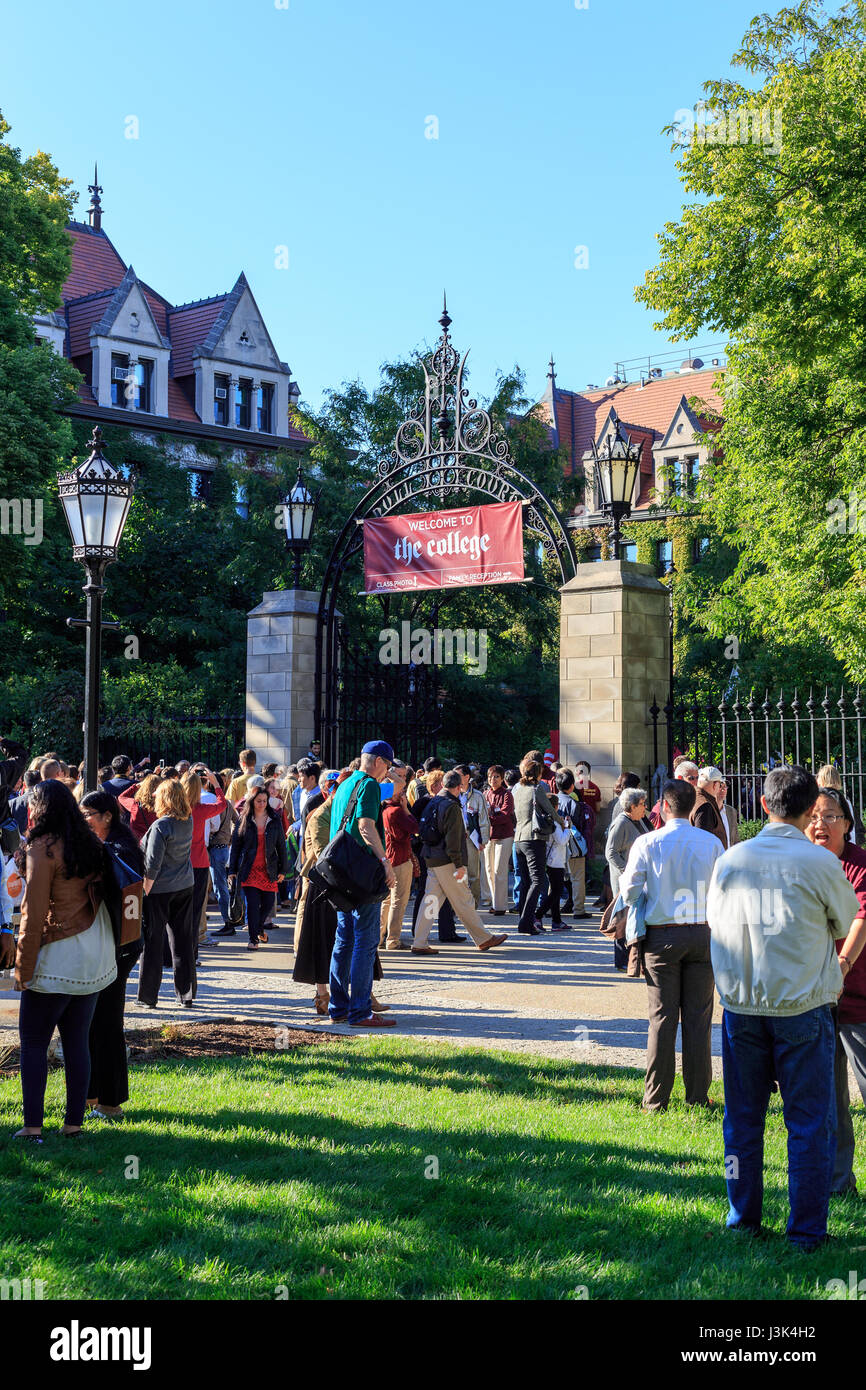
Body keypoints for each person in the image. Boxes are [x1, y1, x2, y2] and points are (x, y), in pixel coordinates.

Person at [707, 765, 863, 1251]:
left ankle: (742, 1216)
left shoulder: (732, 859)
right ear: (808, 806)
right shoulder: (821, 864)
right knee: (810, 1123)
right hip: (802, 1003)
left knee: (743, 1119)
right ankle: (807, 1231)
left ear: (762, 805)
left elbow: (715, 920)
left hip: (744, 1004)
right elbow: (844, 920)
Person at [13, 779, 118, 1140]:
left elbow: (33, 911)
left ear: (40, 808)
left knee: (33, 1041)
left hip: (59, 953)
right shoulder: (89, 841)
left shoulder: (43, 847)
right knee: (77, 1040)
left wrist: (22, 969)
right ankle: (74, 1124)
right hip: (95, 951)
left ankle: (32, 1127)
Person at [620, 779, 724, 1111]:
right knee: (699, 1018)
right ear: (693, 805)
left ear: (664, 807)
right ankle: (697, 1095)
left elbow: (630, 892)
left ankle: (655, 1099)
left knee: (662, 1018)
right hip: (702, 933)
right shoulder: (710, 843)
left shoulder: (647, 842)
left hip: (662, 934)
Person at [804, 787, 866, 1195]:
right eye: (812, 816)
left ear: (847, 822)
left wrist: (841, 966)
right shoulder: (801, 864)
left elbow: (862, 918)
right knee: (829, 1103)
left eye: (829, 816)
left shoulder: (859, 864)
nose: (819, 824)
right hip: (814, 1001)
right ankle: (839, 1184)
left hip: (858, 999)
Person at [80, 791, 144, 1121]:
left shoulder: (118, 850)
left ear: (107, 816)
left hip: (119, 946)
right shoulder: (117, 846)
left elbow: (129, 897)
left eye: (88, 814)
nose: (84, 820)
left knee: (105, 1022)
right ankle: (91, 1097)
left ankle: (110, 1102)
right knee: (93, 1021)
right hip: (116, 942)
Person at [327, 742, 398, 1025]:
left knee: (343, 939)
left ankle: (338, 1007)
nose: (387, 773)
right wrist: (385, 861)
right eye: (388, 767)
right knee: (365, 941)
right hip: (361, 872)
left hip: (340, 871)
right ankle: (360, 1011)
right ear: (378, 761)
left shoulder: (345, 783)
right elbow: (366, 825)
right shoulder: (368, 784)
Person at [412, 770, 508, 955]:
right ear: (458, 787)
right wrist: (459, 865)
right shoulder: (451, 806)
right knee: (464, 900)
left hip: (432, 857)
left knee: (430, 901)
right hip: (448, 861)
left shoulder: (433, 801)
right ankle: (483, 938)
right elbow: (454, 840)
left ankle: (420, 940)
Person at [139, 779, 196, 1009]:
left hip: (159, 889)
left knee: (152, 943)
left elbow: (152, 863)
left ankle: (148, 997)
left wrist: (145, 890)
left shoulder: (161, 825)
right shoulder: (188, 820)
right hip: (185, 884)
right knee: (183, 942)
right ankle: (186, 994)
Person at [228, 783, 289, 951]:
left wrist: (284, 870)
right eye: (259, 801)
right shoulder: (244, 819)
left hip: (269, 869)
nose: (262, 804)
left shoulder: (274, 819)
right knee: (253, 906)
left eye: (264, 801)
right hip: (249, 869)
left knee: (269, 903)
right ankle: (253, 939)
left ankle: (259, 928)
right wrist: (232, 870)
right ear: (252, 801)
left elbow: (281, 846)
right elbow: (236, 846)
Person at [510, 754, 564, 936]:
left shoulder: (518, 790)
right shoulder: (536, 789)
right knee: (538, 880)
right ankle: (527, 923)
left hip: (518, 839)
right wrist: (562, 822)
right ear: (538, 774)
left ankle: (523, 921)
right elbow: (549, 809)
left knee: (525, 881)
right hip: (534, 839)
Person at [181, 769, 227, 954]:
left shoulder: (174, 810)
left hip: (180, 863)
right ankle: (192, 953)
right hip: (199, 863)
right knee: (196, 910)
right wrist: (216, 784)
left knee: (180, 911)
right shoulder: (201, 809)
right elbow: (222, 804)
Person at [410, 767, 458, 942]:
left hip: (437, 852)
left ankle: (446, 931)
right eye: (440, 783)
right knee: (427, 893)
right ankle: (419, 931)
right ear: (435, 784)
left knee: (440, 894)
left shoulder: (439, 802)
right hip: (428, 852)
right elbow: (412, 823)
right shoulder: (425, 802)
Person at [605, 787, 649, 968]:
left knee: (632, 918)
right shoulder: (621, 823)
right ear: (632, 806)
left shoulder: (639, 820)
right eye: (642, 804)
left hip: (636, 879)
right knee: (622, 919)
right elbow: (610, 852)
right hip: (624, 880)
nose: (645, 807)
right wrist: (627, 870)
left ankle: (633, 958)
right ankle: (621, 960)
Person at [380, 763, 417, 950]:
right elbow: (415, 827)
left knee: (386, 900)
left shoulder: (384, 809)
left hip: (388, 856)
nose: (402, 794)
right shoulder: (396, 811)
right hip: (400, 858)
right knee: (399, 901)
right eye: (399, 791)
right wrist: (406, 809)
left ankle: (378, 936)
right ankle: (393, 939)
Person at [455, 764, 490, 906]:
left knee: (474, 873)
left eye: (458, 775)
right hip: (456, 836)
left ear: (467, 777)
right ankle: (459, 904)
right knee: (457, 872)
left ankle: (474, 904)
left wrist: (483, 839)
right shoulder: (452, 793)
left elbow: (483, 819)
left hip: (471, 836)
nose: (455, 779)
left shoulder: (477, 795)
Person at [483, 765, 515, 915]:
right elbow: (481, 815)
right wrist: (489, 818)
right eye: (490, 777)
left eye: (496, 777)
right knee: (489, 870)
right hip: (489, 837)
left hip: (504, 836)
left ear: (502, 778)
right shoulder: (485, 794)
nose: (493, 780)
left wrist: (490, 818)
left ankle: (500, 906)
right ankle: (495, 903)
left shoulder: (507, 794)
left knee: (499, 870)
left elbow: (505, 814)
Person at [118, 773, 162, 844]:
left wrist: (135, 786)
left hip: (137, 843)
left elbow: (121, 797)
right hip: (155, 842)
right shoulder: (163, 807)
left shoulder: (135, 805)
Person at [690, 767, 727, 846]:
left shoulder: (692, 797)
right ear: (715, 784)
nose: (720, 788)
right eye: (720, 784)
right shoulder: (705, 806)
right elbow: (703, 845)